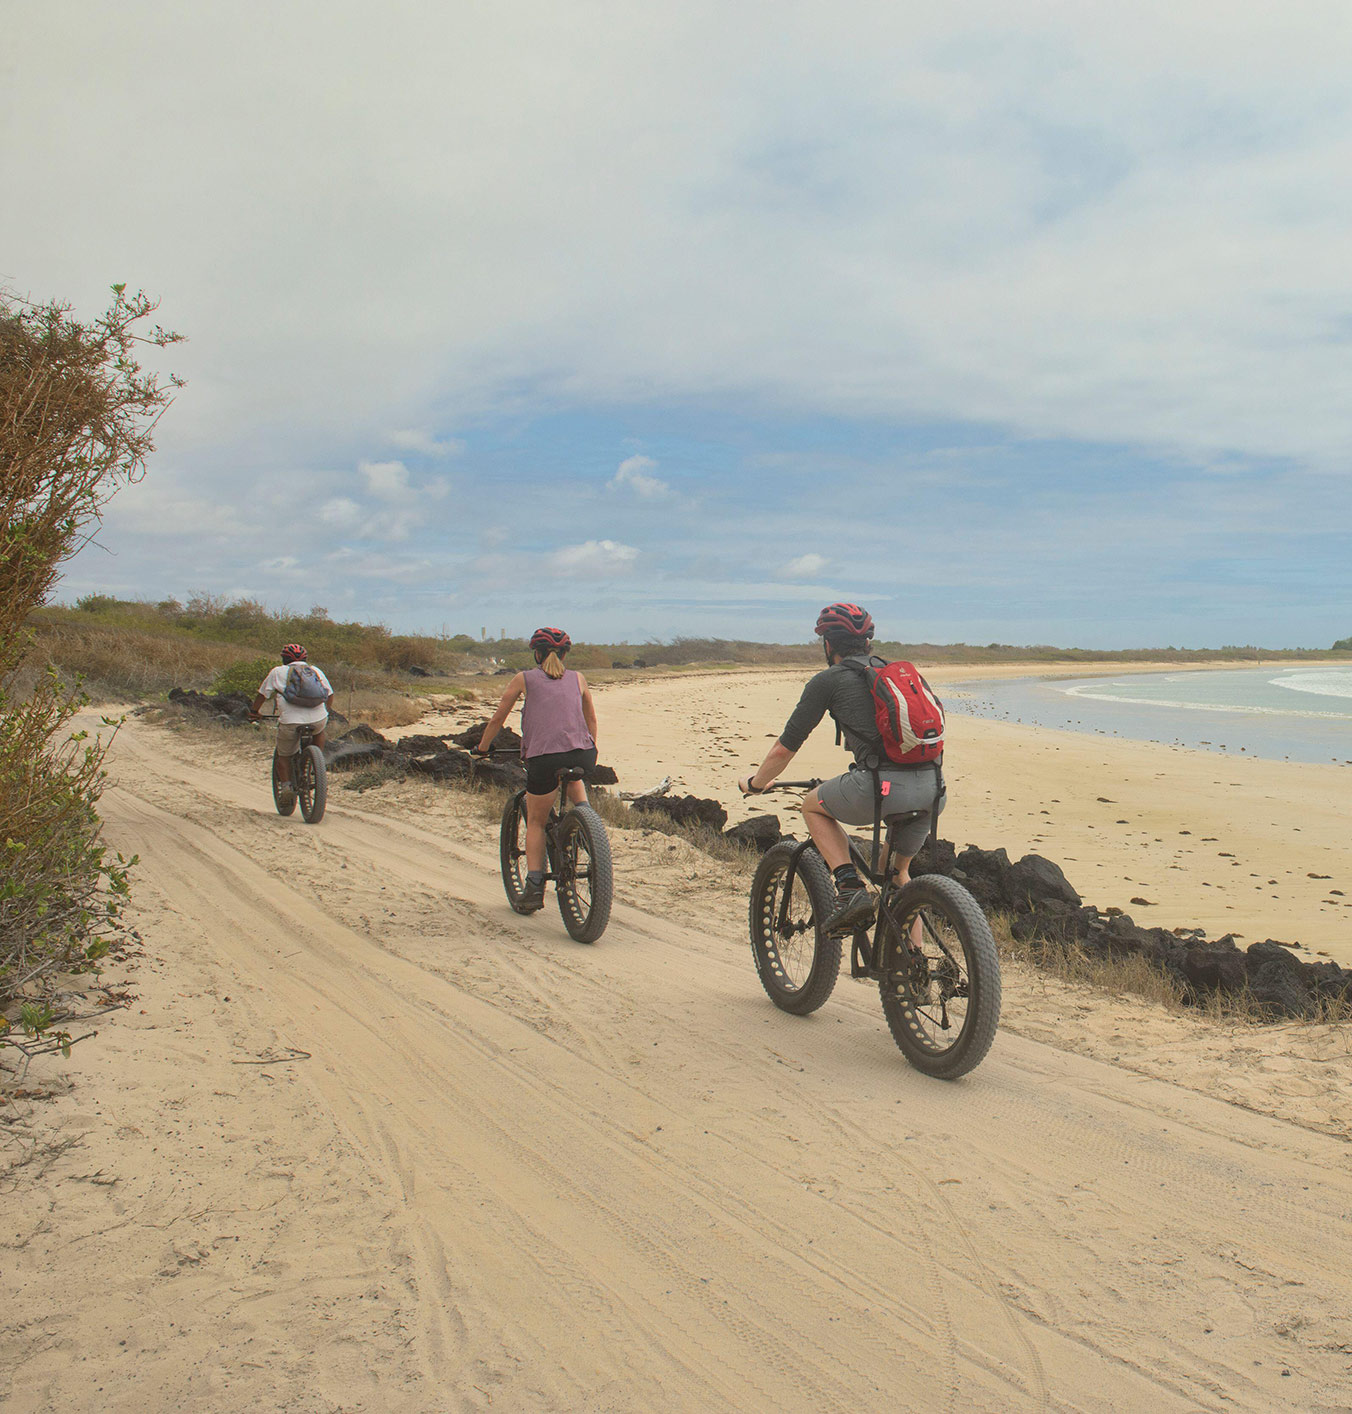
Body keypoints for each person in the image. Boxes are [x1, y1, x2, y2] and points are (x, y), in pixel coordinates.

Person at [738, 603, 945, 935]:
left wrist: (756, 782)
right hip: (933, 788)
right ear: (867, 643)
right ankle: (915, 968)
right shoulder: (900, 674)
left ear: (828, 644)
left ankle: (849, 888)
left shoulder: (828, 680)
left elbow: (785, 747)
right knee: (897, 877)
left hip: (879, 789)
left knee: (812, 805)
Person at [475, 627, 599, 913]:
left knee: (536, 821)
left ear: (537, 653)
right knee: (574, 783)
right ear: (565, 654)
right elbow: (590, 717)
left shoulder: (524, 678)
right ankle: (587, 835)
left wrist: (483, 747)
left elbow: (498, 719)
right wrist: (591, 748)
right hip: (582, 753)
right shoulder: (578, 678)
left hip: (543, 758)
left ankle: (533, 886)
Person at [250, 643, 334, 800]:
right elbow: (330, 694)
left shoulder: (277, 672)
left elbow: (262, 695)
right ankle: (317, 763)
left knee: (284, 755)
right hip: (318, 719)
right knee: (319, 730)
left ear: (284, 659)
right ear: (305, 658)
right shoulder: (315, 670)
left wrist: (254, 712)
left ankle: (286, 785)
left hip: (290, 722)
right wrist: (326, 711)